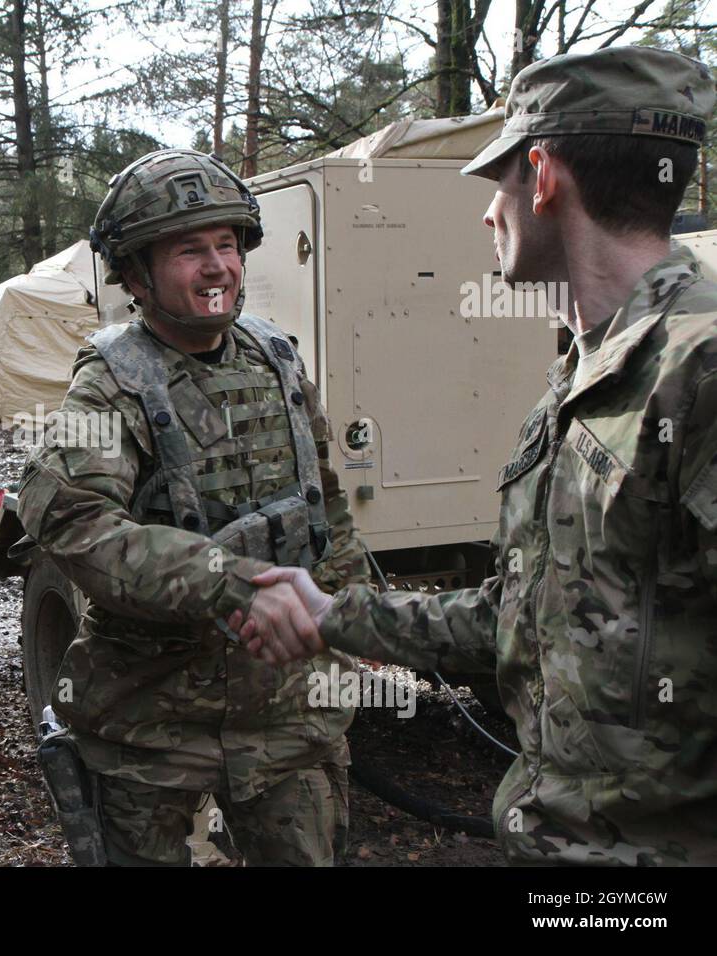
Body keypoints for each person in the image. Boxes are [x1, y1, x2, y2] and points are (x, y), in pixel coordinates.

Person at [239, 46, 717, 866]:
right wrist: (329, 613)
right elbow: (525, 618)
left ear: (542, 177)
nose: (485, 215)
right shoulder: (590, 369)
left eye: (494, 187)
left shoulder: (697, 369)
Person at [16, 149, 370, 866]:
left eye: (228, 245)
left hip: (286, 721)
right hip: (151, 727)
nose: (218, 267)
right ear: (137, 275)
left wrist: (360, 618)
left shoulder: (276, 359)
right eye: (189, 251)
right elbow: (72, 521)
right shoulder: (113, 383)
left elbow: (322, 502)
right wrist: (228, 583)